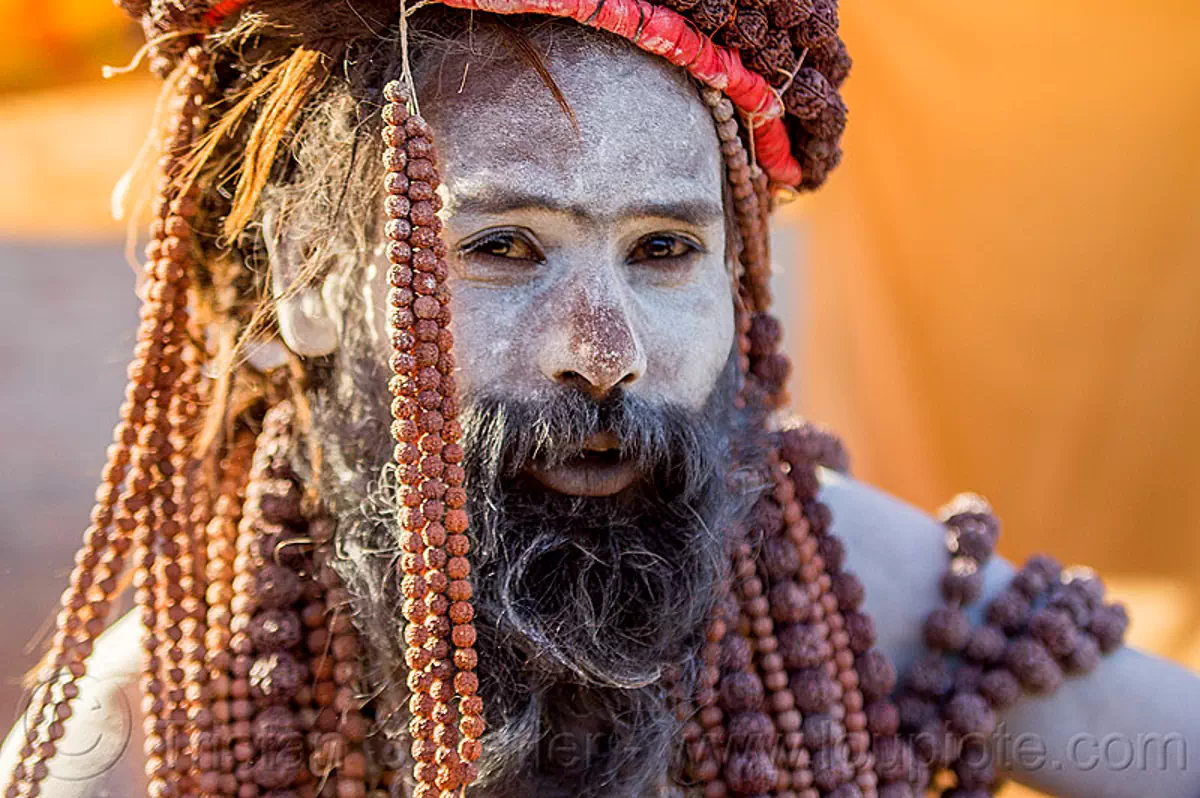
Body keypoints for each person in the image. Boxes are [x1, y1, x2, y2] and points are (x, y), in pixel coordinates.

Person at [2, 1, 1198, 797]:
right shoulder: (141, 736)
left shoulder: (856, 591)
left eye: (665, 251)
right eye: (507, 247)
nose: (605, 351)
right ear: (309, 280)